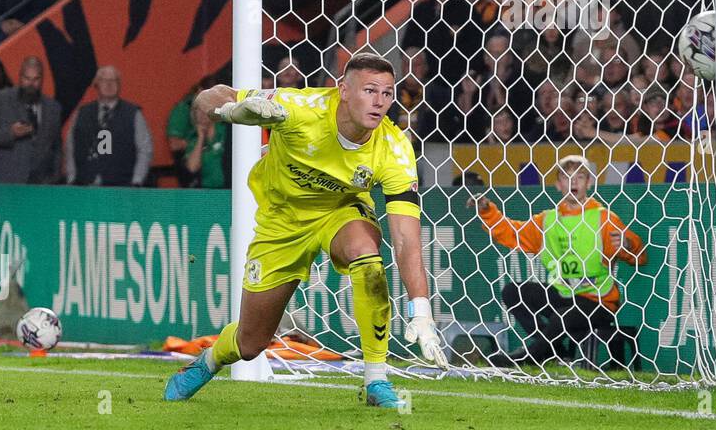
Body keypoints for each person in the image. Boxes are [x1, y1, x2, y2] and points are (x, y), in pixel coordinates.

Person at [162, 53, 449, 409]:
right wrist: (232, 110)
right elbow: (209, 97)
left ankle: (376, 378)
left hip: (340, 211)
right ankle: (208, 361)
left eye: (387, 93)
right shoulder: (299, 108)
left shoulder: (394, 149)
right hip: (282, 221)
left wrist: (420, 308)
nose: (379, 102)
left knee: (366, 253)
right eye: (370, 90)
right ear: (343, 90)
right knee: (250, 344)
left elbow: (406, 238)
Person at [473, 154, 646, 365]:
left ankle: (528, 358)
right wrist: (487, 212)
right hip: (563, 293)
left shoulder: (603, 218)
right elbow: (512, 232)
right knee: (512, 292)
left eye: (580, 177)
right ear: (557, 184)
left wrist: (628, 246)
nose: (573, 182)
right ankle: (555, 352)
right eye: (566, 176)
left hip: (597, 301)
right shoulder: (548, 220)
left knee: (564, 315)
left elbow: (639, 257)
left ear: (589, 183)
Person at [0, 56, 63, 183]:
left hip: (40, 184)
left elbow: (56, 147)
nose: (31, 84)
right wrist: (10, 133)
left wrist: (54, 177)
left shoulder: (53, 108)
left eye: (36, 79)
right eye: (27, 78)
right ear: (20, 77)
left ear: (42, 79)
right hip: (5, 182)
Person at [64, 65, 152, 186]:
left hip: (122, 188)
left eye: (113, 80)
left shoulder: (134, 114)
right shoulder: (81, 113)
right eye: (104, 80)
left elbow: (145, 150)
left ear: (119, 85)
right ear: (96, 84)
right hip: (84, 187)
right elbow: (70, 147)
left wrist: (137, 181)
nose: (109, 84)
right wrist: (71, 178)